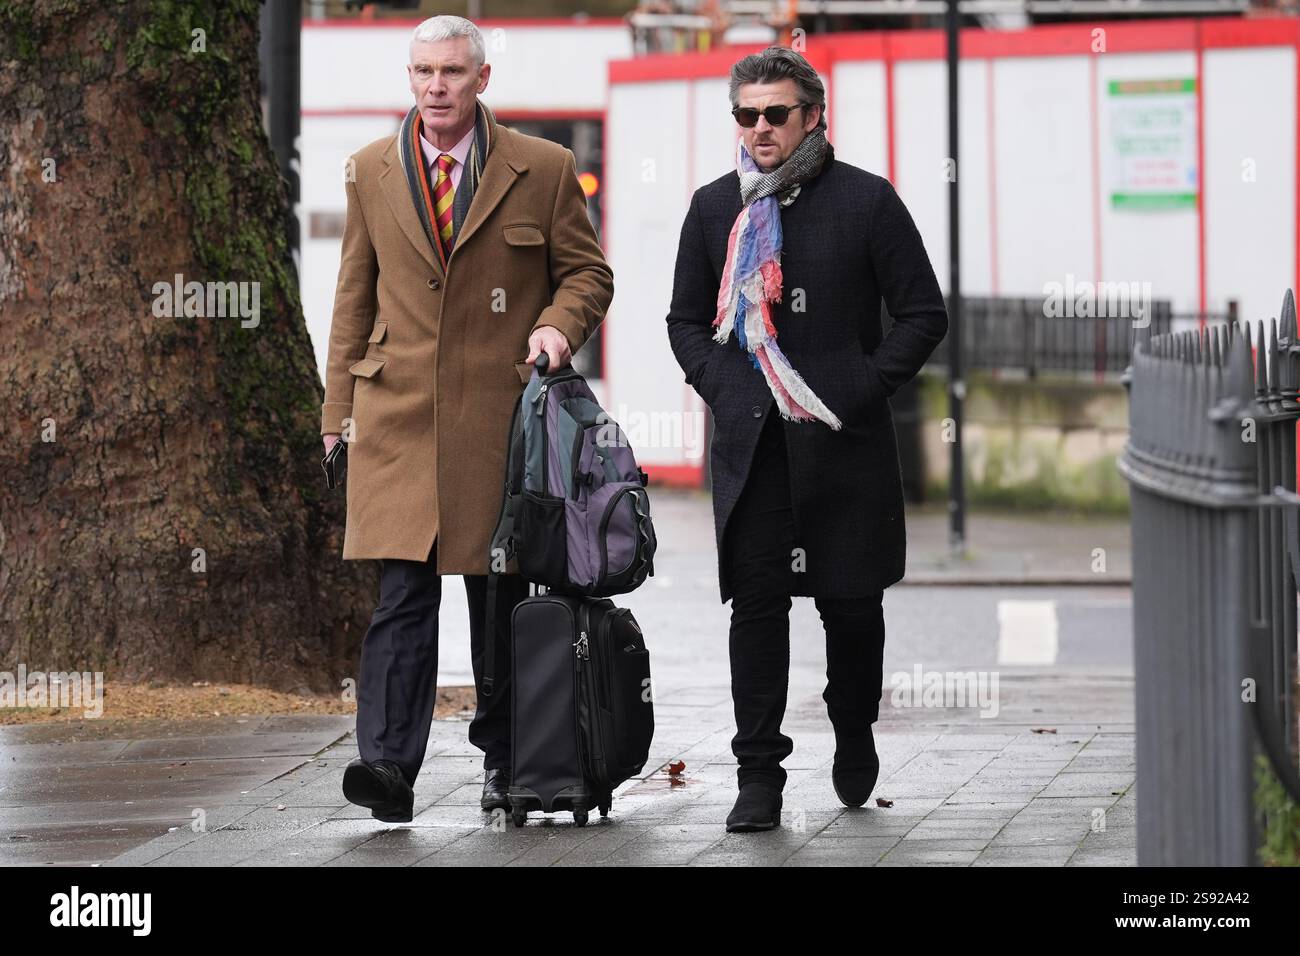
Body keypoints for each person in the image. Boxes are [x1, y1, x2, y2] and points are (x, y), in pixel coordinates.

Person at [320, 15, 613, 823]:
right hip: (396, 417)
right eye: (422, 72)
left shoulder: (544, 168)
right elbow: (353, 294)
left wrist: (557, 324)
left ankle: (508, 762)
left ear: (482, 79)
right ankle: (385, 767)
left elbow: (588, 272)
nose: (435, 87)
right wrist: (335, 413)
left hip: (500, 419)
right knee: (402, 598)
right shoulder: (371, 169)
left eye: (451, 71)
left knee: (500, 600)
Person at [665, 46, 948, 832]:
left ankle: (853, 726)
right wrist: (727, 388)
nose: (760, 128)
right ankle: (759, 774)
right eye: (746, 114)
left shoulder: (866, 202)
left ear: (814, 117)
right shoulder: (714, 207)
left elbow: (924, 315)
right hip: (751, 449)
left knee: (851, 611)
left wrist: (853, 389)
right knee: (755, 608)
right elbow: (686, 321)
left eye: (775, 114)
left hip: (844, 447)